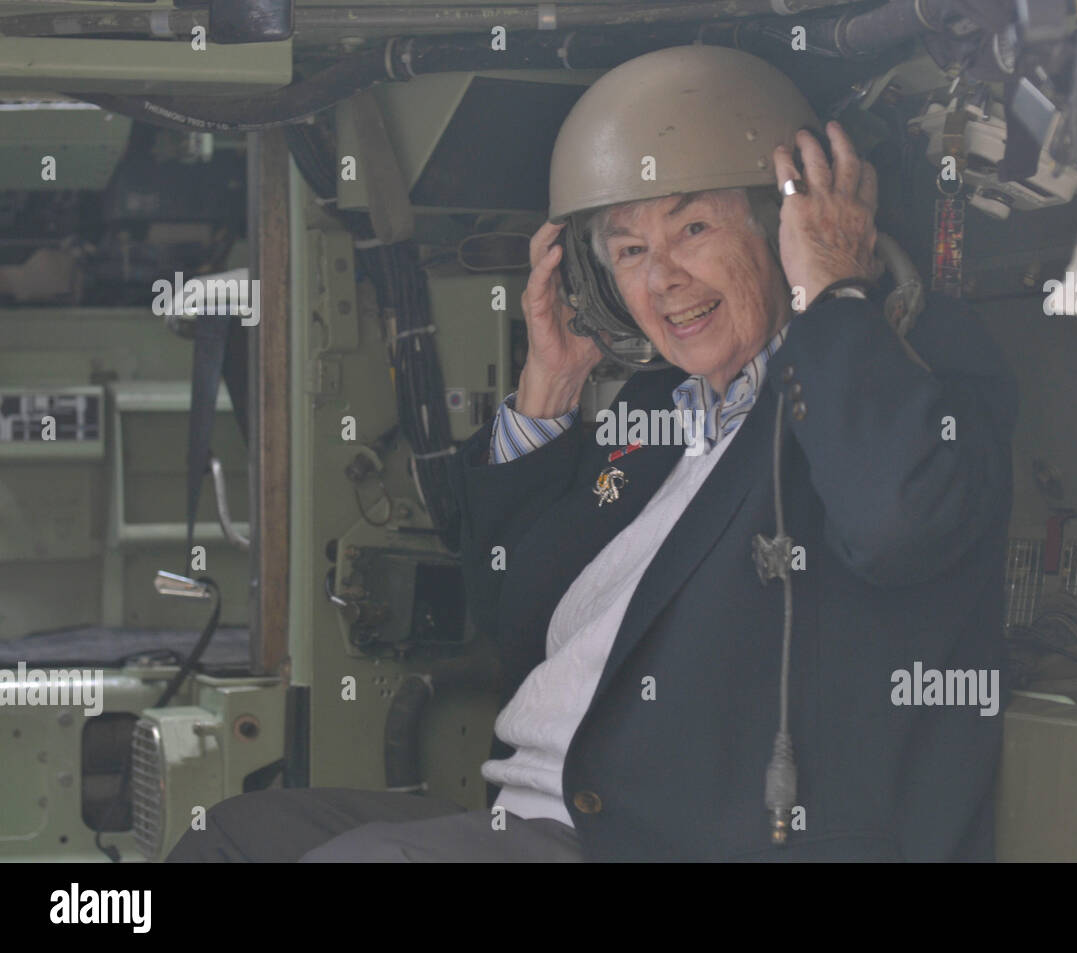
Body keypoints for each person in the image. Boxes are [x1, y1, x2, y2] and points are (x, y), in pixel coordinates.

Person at [168, 44, 1016, 863]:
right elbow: (512, 613)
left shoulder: (909, 361)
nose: (662, 279)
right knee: (234, 840)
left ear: (783, 224)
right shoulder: (652, 409)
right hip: (535, 809)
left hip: (660, 841)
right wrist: (549, 391)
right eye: (630, 249)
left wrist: (832, 294)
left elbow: (897, 522)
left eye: (692, 226)